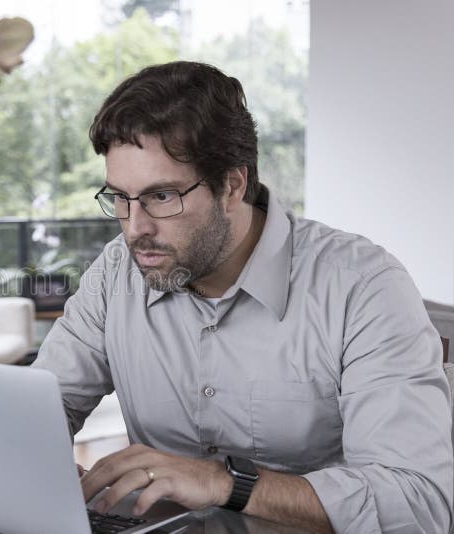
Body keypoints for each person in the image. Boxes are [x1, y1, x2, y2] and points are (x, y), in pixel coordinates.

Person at [32, 61, 454, 533]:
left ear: (232, 186)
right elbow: (41, 410)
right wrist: (29, 459)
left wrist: (225, 483)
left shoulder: (363, 288)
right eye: (120, 198)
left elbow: (417, 505)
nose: (135, 228)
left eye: (162, 197)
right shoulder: (116, 272)